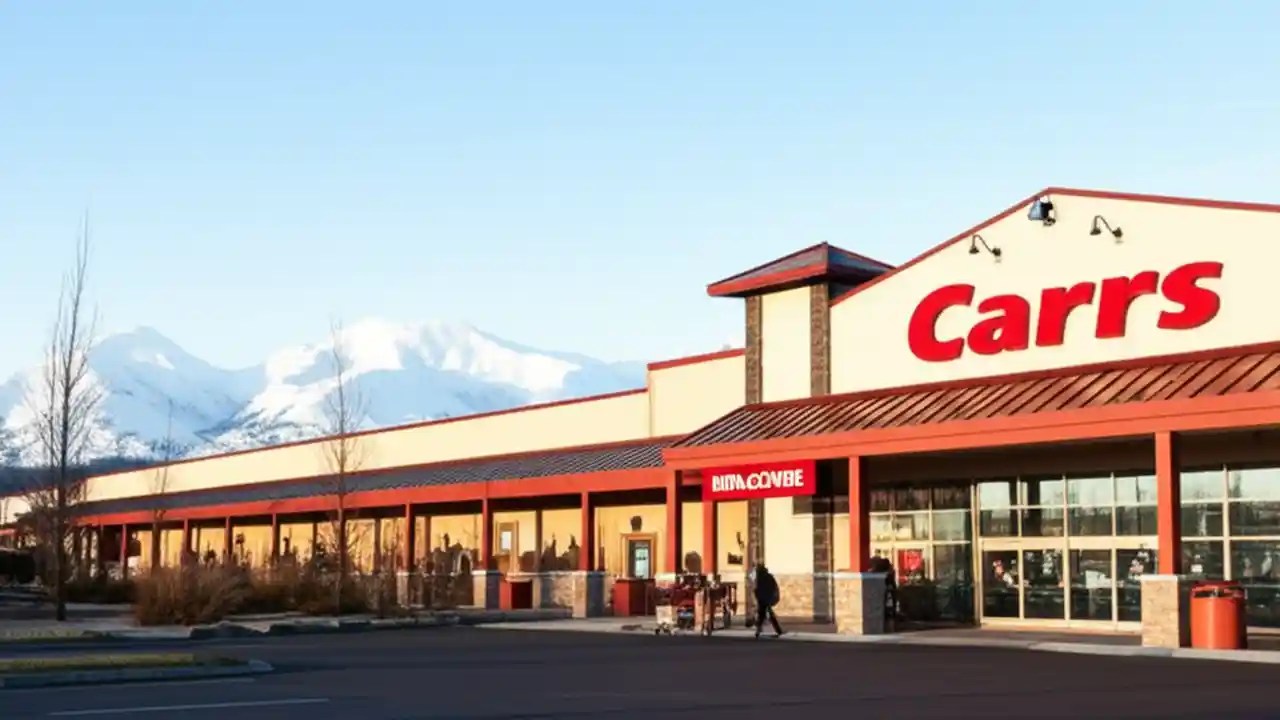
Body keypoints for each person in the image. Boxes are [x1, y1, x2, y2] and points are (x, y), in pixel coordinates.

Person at [752, 563, 785, 638]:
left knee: (762, 615)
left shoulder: (760, 578)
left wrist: (757, 596)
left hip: (763, 600)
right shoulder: (769, 577)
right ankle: (778, 630)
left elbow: (757, 589)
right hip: (768, 599)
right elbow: (774, 587)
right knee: (767, 615)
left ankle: (758, 631)